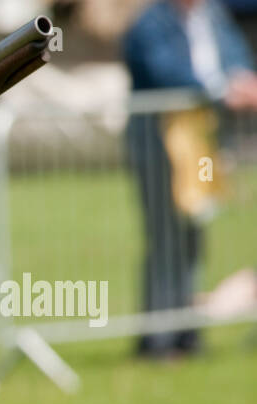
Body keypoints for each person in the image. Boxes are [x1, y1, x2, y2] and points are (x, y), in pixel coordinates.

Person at [123, 0, 257, 358]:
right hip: (160, 142)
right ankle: (157, 339)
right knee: (165, 238)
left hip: (201, 142)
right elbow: (165, 70)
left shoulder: (213, 15)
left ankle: (186, 333)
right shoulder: (149, 22)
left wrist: (242, 80)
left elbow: (234, 54)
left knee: (192, 235)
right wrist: (220, 89)